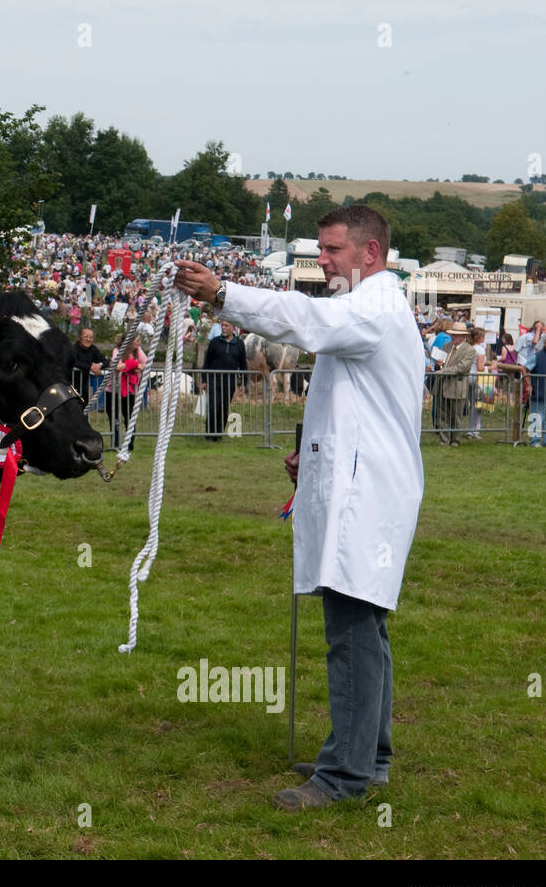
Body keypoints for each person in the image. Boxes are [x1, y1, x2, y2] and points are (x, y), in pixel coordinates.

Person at [175, 205, 423, 812]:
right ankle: (371, 755)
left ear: (369, 253)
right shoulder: (369, 308)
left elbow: (304, 320)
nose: (322, 261)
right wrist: (312, 457)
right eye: (320, 249)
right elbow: (355, 410)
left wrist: (223, 293)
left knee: (353, 630)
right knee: (365, 626)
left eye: (333, 250)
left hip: (368, 498)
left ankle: (345, 776)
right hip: (363, 485)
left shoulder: (374, 306)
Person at [200, 319, 248, 441]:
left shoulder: (239, 344)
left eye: (226, 326)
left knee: (224, 408)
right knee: (213, 407)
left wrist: (244, 382)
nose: (224, 328)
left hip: (229, 382)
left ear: (233, 328)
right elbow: (207, 361)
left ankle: (219, 434)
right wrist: (204, 380)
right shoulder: (215, 342)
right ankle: (210, 435)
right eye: (222, 325)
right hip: (214, 380)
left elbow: (243, 364)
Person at [434, 323, 474, 446]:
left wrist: (444, 371)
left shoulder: (470, 350)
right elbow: (441, 363)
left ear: (463, 337)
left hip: (457, 387)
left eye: (455, 335)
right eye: (452, 335)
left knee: (455, 416)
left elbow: (462, 367)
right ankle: (444, 440)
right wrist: (438, 364)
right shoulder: (446, 346)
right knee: (442, 415)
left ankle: (455, 440)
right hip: (441, 385)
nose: (453, 337)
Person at [107, 333, 146, 451]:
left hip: (131, 391)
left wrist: (134, 366)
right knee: (114, 417)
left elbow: (146, 364)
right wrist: (133, 364)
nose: (139, 343)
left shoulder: (138, 351)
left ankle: (129, 444)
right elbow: (116, 365)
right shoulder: (118, 350)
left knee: (129, 417)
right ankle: (116, 443)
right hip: (113, 389)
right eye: (137, 340)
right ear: (130, 341)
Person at [70, 327, 108, 398]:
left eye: (91, 337)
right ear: (79, 338)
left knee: (84, 405)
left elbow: (106, 361)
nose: (88, 339)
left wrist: (100, 365)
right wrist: (90, 367)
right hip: (69, 385)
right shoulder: (73, 349)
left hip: (84, 385)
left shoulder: (93, 349)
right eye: (85, 337)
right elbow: (74, 362)